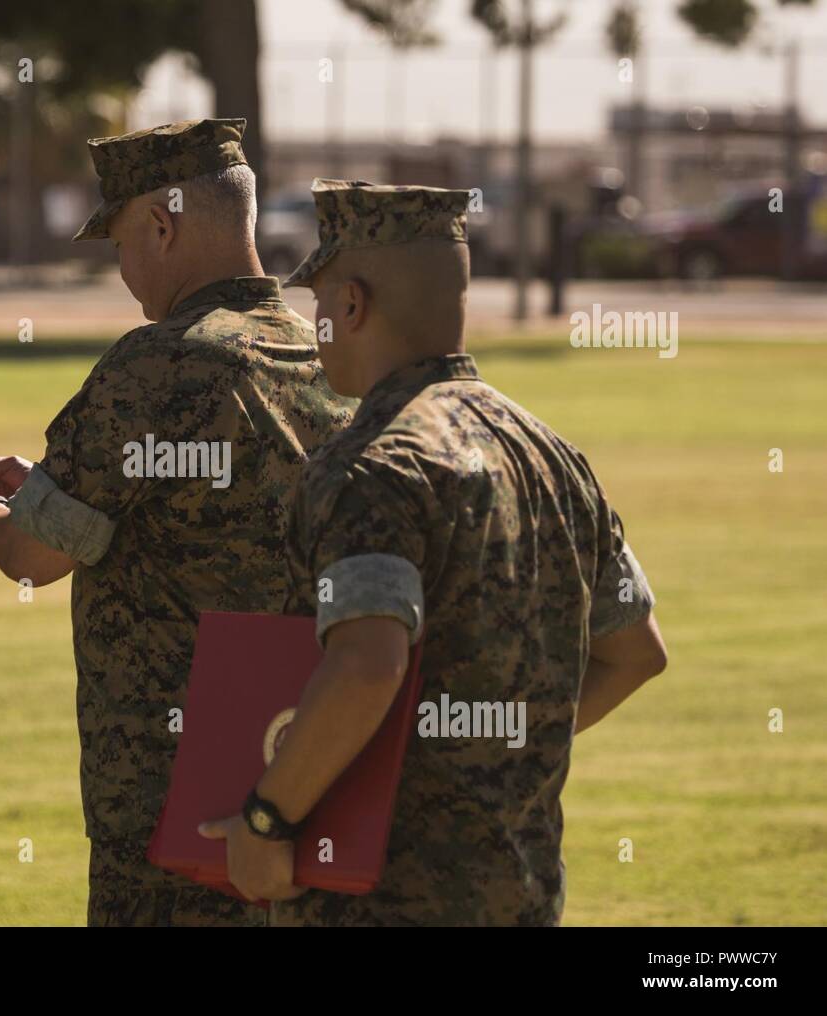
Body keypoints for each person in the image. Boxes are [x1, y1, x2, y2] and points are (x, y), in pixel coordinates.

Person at [201, 180, 668, 926]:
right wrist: (495, 746)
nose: (318, 324)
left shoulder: (371, 468)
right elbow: (635, 653)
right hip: (520, 889)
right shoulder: (551, 455)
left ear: (351, 305)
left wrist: (267, 820)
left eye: (322, 306)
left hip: (383, 895)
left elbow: (366, 664)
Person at [0, 119, 353, 926]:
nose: (122, 270)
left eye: (121, 242)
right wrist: (39, 488)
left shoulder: (159, 363)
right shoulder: (325, 357)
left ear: (162, 224)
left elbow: (34, 557)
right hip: (305, 774)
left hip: (176, 797)